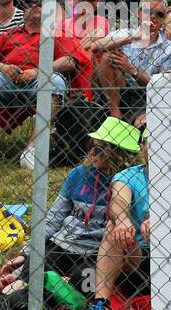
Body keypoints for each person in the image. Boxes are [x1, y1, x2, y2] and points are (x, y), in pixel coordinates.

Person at [0, 9, 88, 173]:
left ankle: (31, 151)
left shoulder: (55, 33)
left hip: (39, 79)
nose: (35, 6)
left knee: (56, 82)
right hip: (6, 78)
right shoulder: (11, 33)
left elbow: (69, 61)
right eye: (30, 3)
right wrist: (2, 67)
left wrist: (38, 71)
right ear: (23, 12)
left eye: (40, 3)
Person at [45, 117, 141, 296]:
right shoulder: (79, 174)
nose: (91, 153)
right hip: (64, 242)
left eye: (98, 149)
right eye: (91, 147)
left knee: (84, 281)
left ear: (116, 153)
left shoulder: (131, 182)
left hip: (95, 251)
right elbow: (55, 216)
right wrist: (26, 251)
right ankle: (20, 284)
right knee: (36, 265)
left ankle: (58, 287)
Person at [81, 119, 152, 310]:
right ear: (143, 147)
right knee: (114, 229)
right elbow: (118, 201)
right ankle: (101, 306)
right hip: (139, 258)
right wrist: (122, 219)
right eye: (152, 142)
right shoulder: (129, 176)